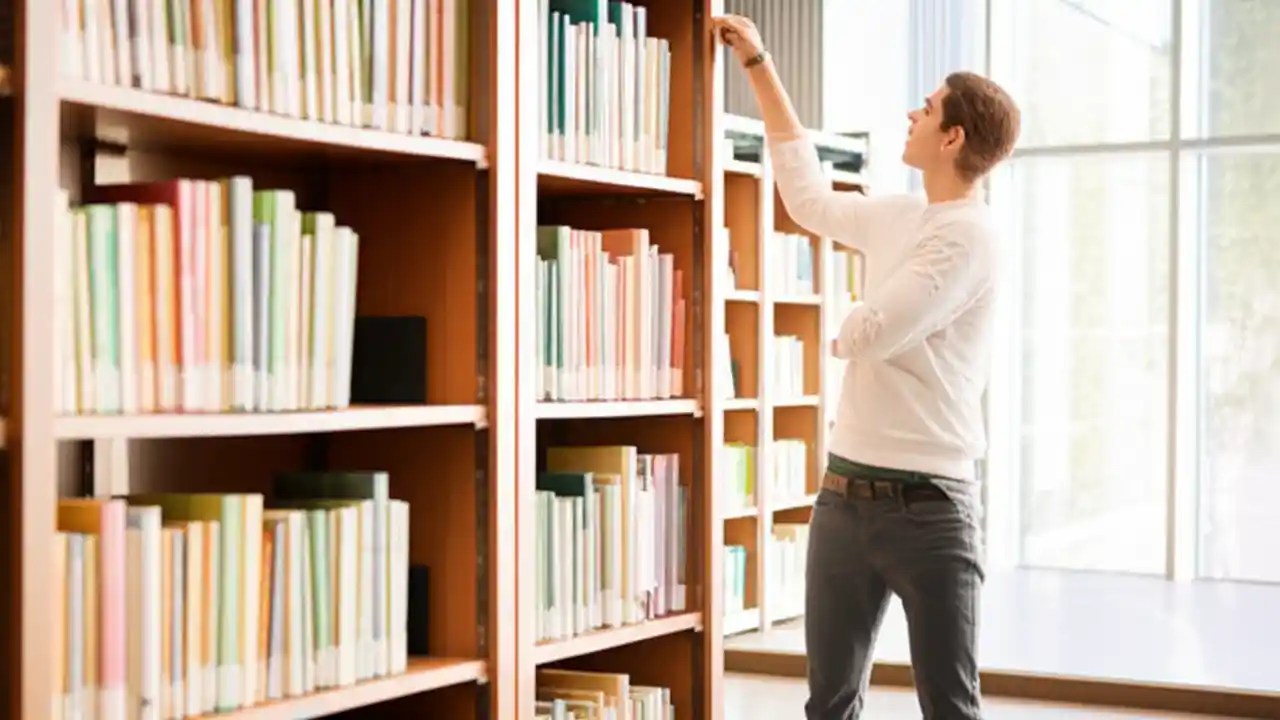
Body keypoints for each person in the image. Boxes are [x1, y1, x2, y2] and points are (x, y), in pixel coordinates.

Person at [712, 14, 1020, 720]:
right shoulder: (903, 217)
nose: (912, 114)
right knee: (828, 704)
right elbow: (808, 199)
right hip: (843, 498)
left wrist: (851, 329)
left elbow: (872, 332)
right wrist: (758, 62)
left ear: (953, 137)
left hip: (931, 508)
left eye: (928, 108)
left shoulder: (972, 236)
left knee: (950, 706)